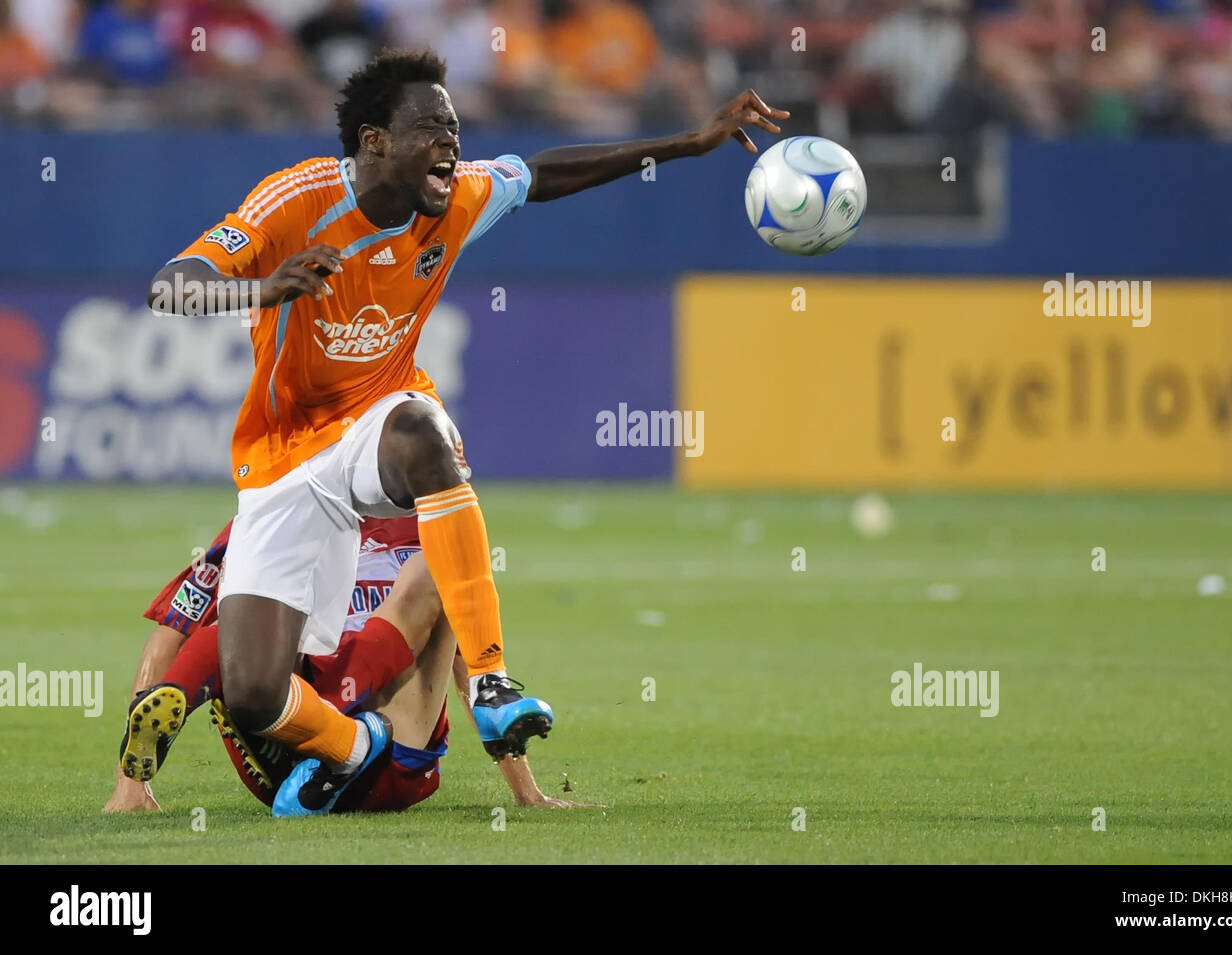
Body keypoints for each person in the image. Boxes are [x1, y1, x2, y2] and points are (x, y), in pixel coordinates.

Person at [146, 47, 786, 816]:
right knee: (252, 691)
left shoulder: (457, 198)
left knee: (423, 434)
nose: (452, 143)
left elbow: (547, 174)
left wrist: (685, 144)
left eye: (454, 127)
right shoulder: (294, 199)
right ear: (376, 140)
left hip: (376, 423)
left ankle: (491, 680)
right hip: (282, 455)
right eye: (432, 128)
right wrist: (262, 284)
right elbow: (169, 287)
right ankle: (355, 748)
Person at [107, 517, 592, 815]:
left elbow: (470, 664)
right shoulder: (272, 512)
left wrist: (527, 791)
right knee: (235, 620)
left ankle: (345, 742)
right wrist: (132, 785)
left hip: (394, 740)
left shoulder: (429, 522)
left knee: (442, 564)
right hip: (288, 749)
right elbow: (174, 628)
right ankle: (334, 738)